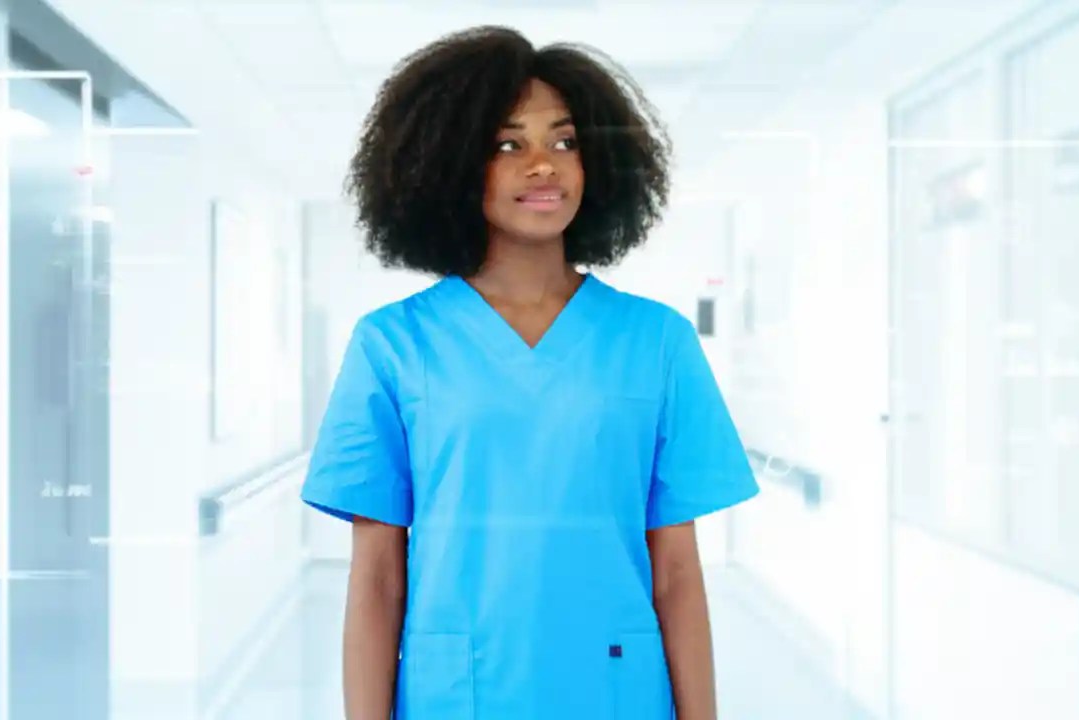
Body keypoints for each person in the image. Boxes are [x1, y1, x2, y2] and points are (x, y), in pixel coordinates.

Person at [300, 24, 759, 720]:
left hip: (619, 692)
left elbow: (676, 573)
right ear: (450, 164)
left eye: (565, 141)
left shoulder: (657, 341)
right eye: (508, 144)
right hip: (458, 694)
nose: (543, 164)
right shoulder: (393, 345)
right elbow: (377, 580)